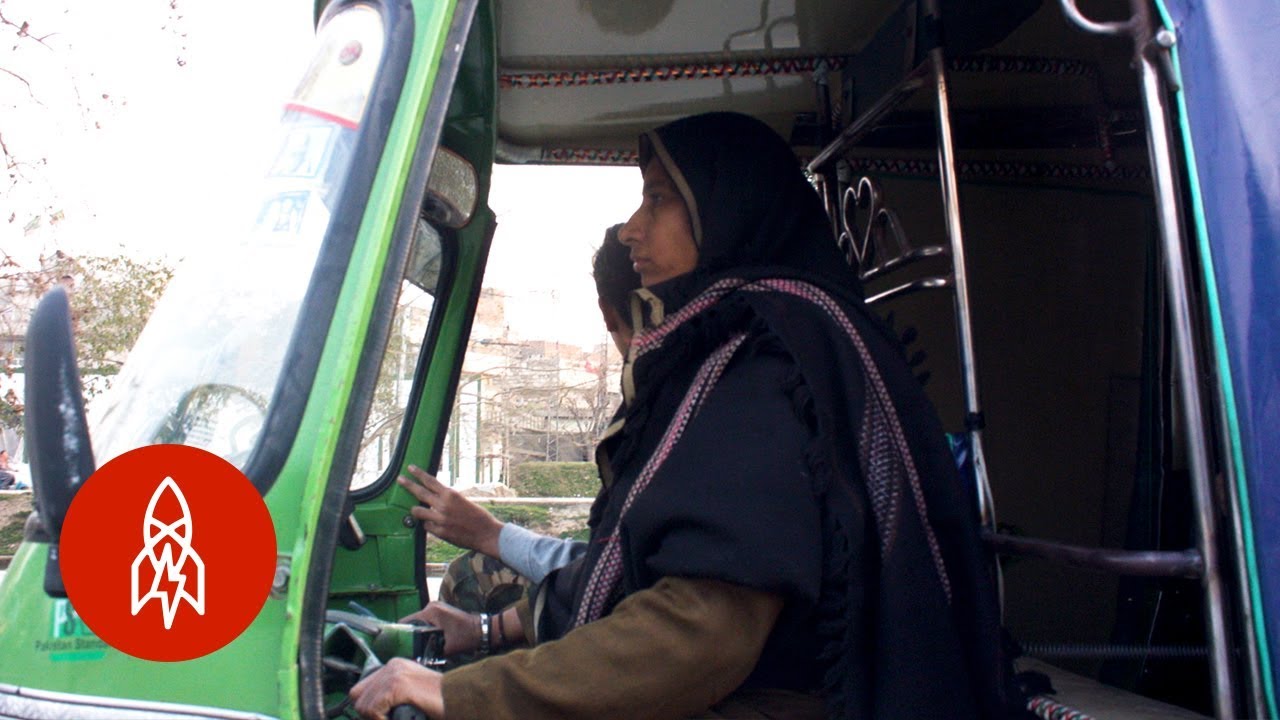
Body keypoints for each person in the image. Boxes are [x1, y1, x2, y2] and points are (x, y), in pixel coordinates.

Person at [352, 112, 1009, 720]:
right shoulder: (746, 348)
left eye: (659, 199)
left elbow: (700, 632)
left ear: (724, 212)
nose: (633, 227)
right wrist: (492, 630)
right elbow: (636, 566)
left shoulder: (761, 365)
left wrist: (459, 692)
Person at [419, 225, 641, 617]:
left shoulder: (661, 410)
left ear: (608, 314)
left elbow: (605, 580)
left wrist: (492, 536)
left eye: (657, 197)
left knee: (473, 575)